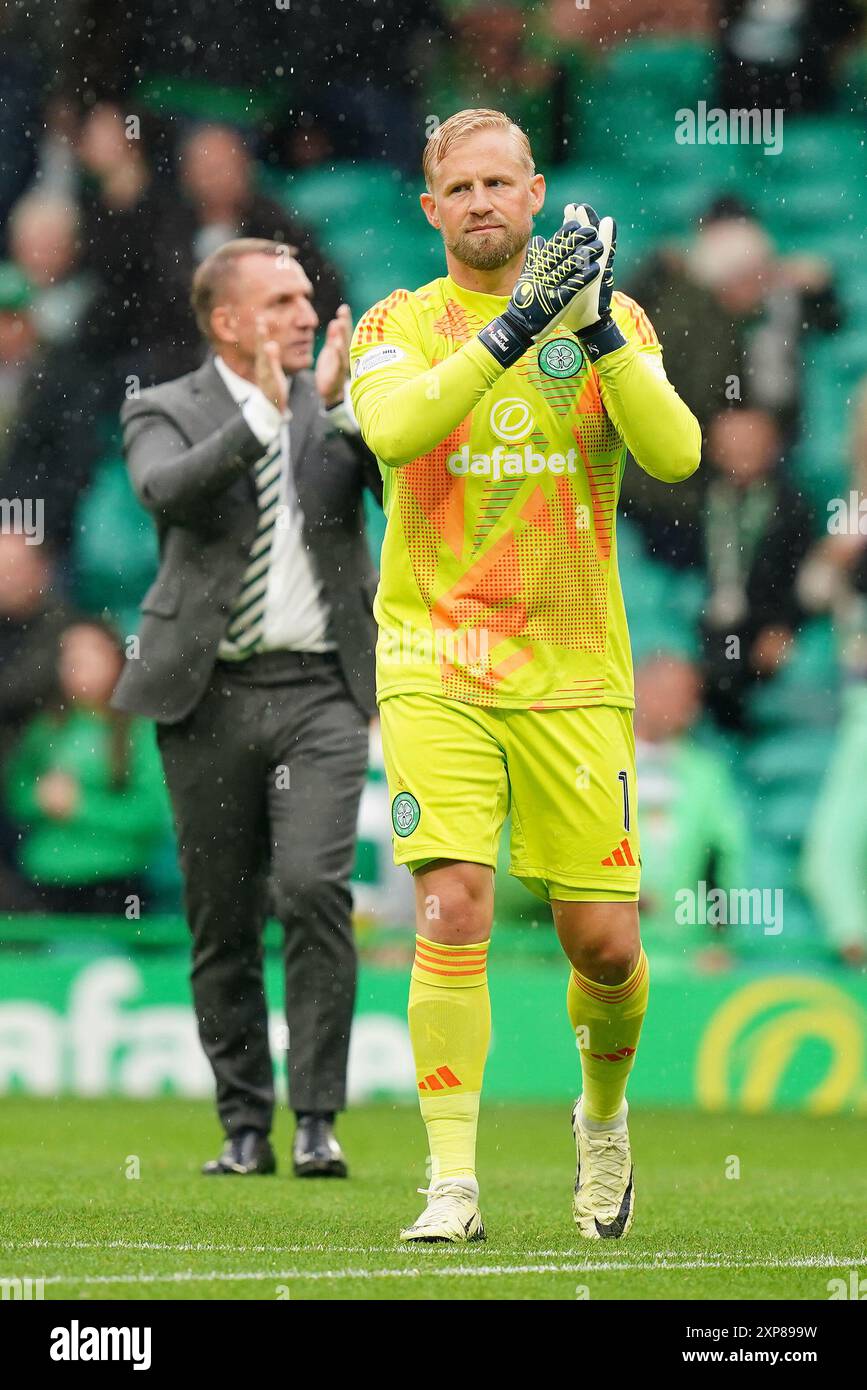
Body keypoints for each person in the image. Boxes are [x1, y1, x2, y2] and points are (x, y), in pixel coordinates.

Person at [350, 108, 701, 1243]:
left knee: (605, 944)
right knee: (449, 906)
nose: (484, 202)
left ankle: (601, 1118)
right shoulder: (399, 324)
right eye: (462, 188)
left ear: (538, 194)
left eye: (503, 182)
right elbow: (401, 430)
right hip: (433, 662)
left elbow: (678, 453)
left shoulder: (613, 318)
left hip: (573, 675)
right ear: (431, 208)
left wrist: (590, 327)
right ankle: (451, 1183)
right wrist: (513, 332)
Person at [112, 238, 382, 1179]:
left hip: (322, 693)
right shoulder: (163, 408)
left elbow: (404, 484)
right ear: (225, 322)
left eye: (307, 298)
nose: (306, 315)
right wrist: (261, 421)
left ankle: (316, 1120)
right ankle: (242, 1126)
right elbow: (165, 493)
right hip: (207, 696)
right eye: (279, 302)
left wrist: (347, 406)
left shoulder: (343, 403)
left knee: (312, 888)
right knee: (221, 918)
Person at [5, 619, 168, 914]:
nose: (76, 665)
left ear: (117, 659)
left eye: (90, 654)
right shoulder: (47, 727)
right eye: (68, 656)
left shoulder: (139, 731)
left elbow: (150, 814)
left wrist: (81, 806)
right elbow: (17, 793)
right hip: (44, 877)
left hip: (113, 881)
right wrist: (39, 798)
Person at [700, 406, 813, 730]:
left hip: (762, 627)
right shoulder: (698, 502)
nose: (743, 452)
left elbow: (802, 575)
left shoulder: (793, 507)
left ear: (773, 446)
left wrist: (785, 625)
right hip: (706, 626)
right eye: (733, 442)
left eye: (752, 442)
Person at [633, 652, 747, 967]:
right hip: (606, 955)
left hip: (685, 956)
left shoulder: (707, 775)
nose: (685, 706)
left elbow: (728, 863)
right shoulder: (599, 766)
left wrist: (721, 940)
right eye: (670, 693)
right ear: (638, 690)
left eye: (690, 696)